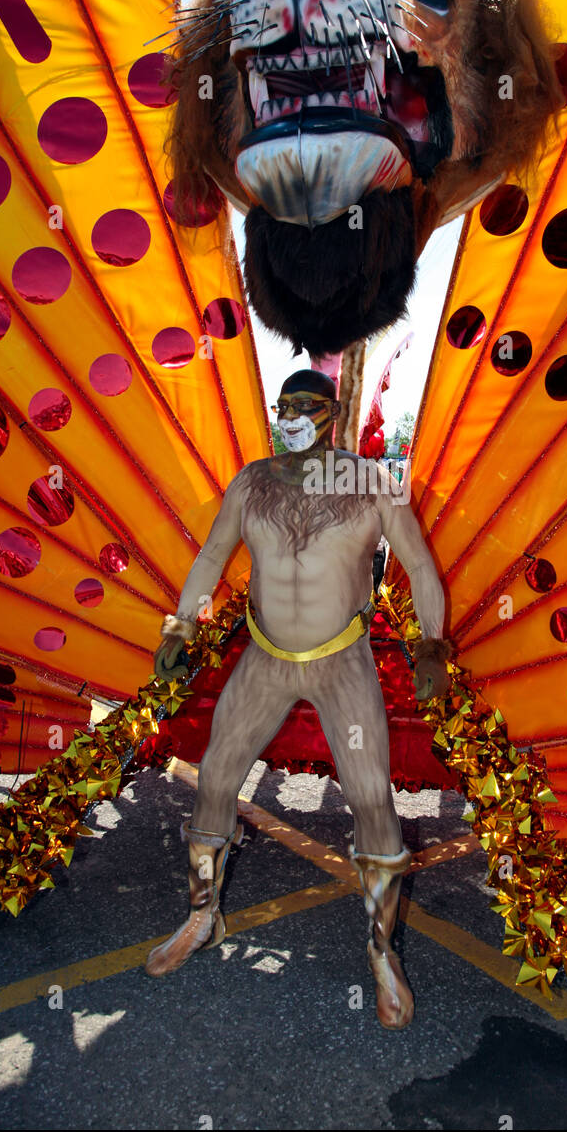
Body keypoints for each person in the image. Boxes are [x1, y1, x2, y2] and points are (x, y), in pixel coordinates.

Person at [145, 370, 452, 1029]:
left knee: (372, 800)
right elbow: (212, 555)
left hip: (344, 663)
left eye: (306, 408)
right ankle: (204, 915)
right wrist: (182, 625)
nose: (292, 417)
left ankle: (382, 951)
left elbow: (420, 565)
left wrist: (432, 645)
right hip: (264, 659)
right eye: (284, 407)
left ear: (333, 413)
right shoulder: (253, 482)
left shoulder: (373, 483)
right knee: (217, 780)